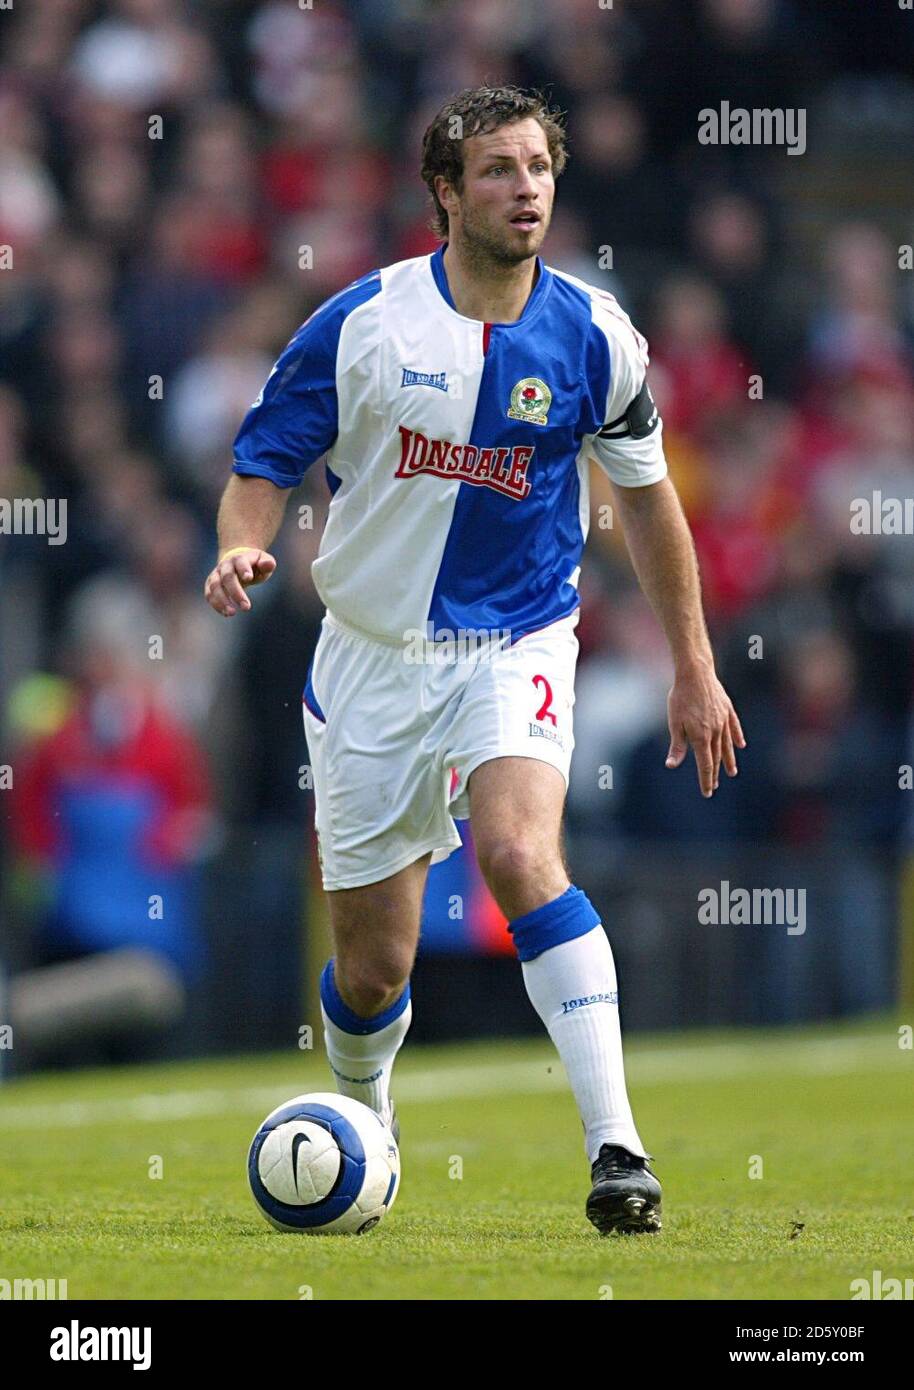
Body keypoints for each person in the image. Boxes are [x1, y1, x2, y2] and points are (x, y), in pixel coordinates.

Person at [204, 85, 745, 1236]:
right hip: (370, 660)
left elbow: (648, 508)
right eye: (497, 170)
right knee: (368, 969)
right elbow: (263, 461)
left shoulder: (594, 336)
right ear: (444, 192)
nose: (526, 189)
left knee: (512, 849)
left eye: (539, 167)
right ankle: (368, 1126)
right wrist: (241, 548)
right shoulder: (360, 326)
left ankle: (616, 1149)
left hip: (513, 639)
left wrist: (691, 666)